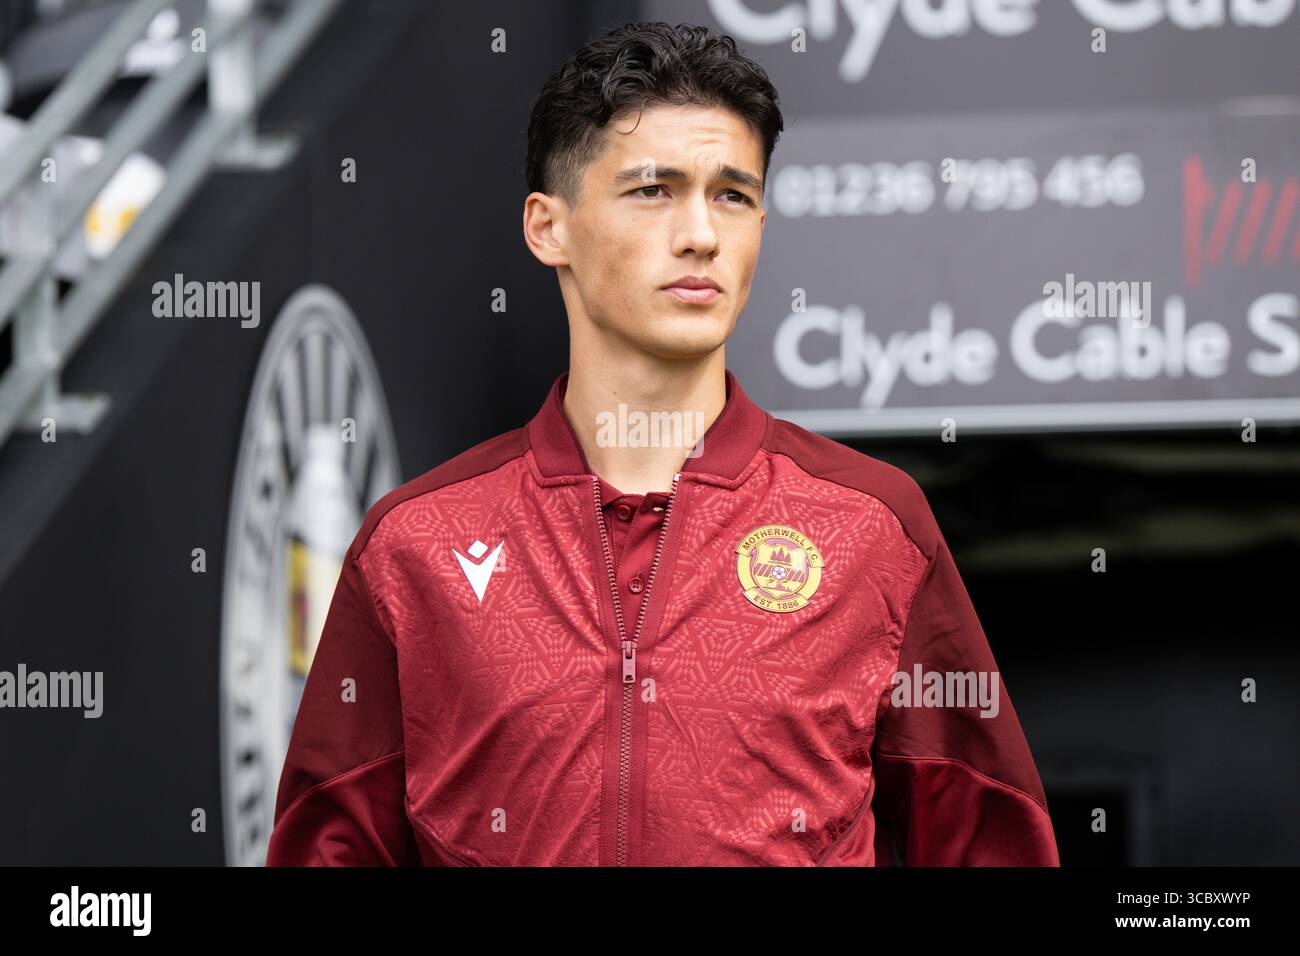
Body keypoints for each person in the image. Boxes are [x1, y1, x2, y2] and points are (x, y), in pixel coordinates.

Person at [265, 20, 1058, 867]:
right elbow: (327, 848)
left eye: (733, 194)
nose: (702, 235)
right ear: (548, 228)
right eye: (654, 190)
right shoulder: (413, 547)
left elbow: (991, 838)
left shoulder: (871, 526)